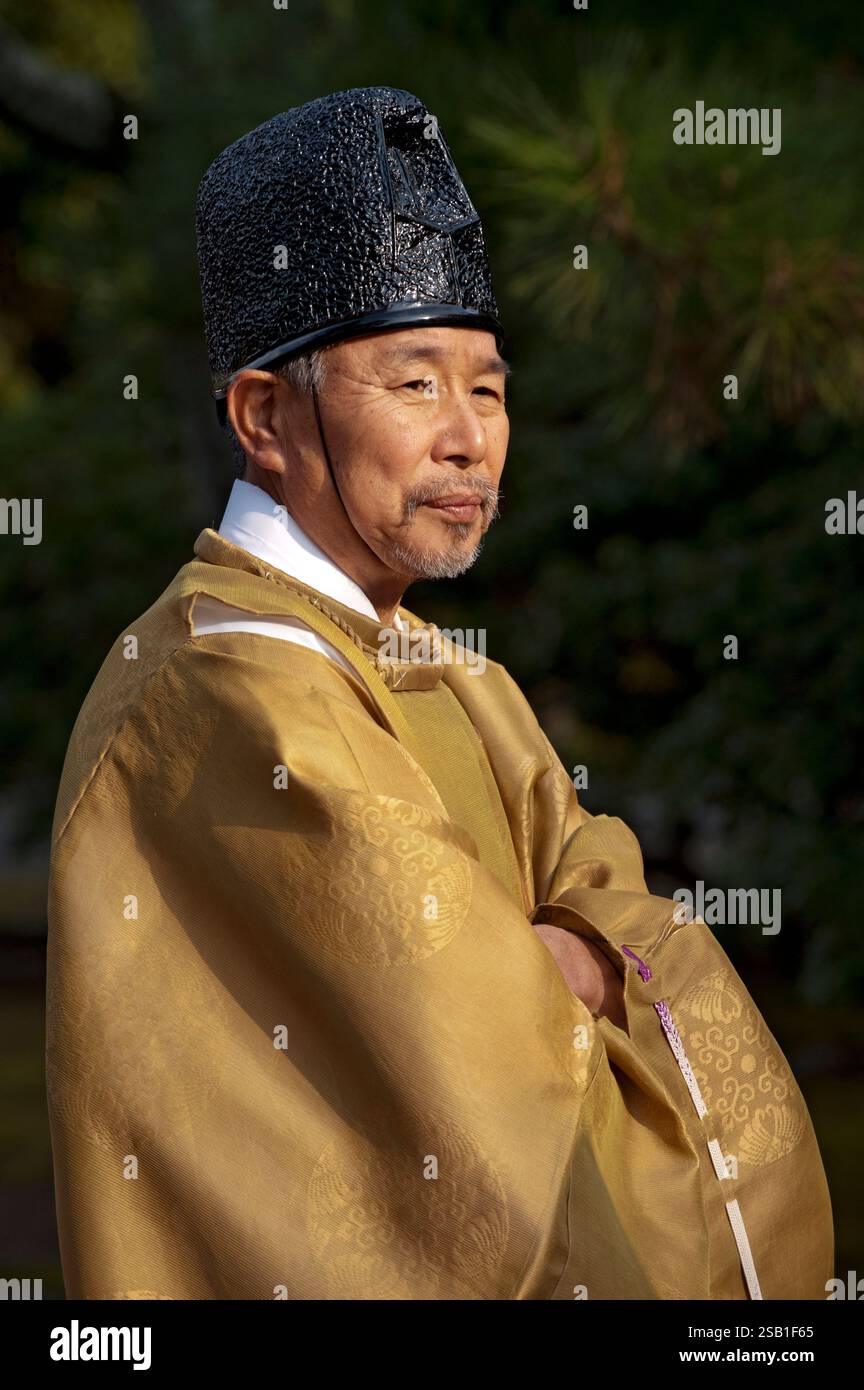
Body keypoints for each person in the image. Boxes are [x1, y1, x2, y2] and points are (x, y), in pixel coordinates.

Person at [45, 86, 833, 1300]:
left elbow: (597, 890)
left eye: (489, 387)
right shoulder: (218, 687)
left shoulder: (454, 673)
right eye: (415, 384)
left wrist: (576, 955)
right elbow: (469, 1043)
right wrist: (580, 967)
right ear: (264, 418)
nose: (470, 437)